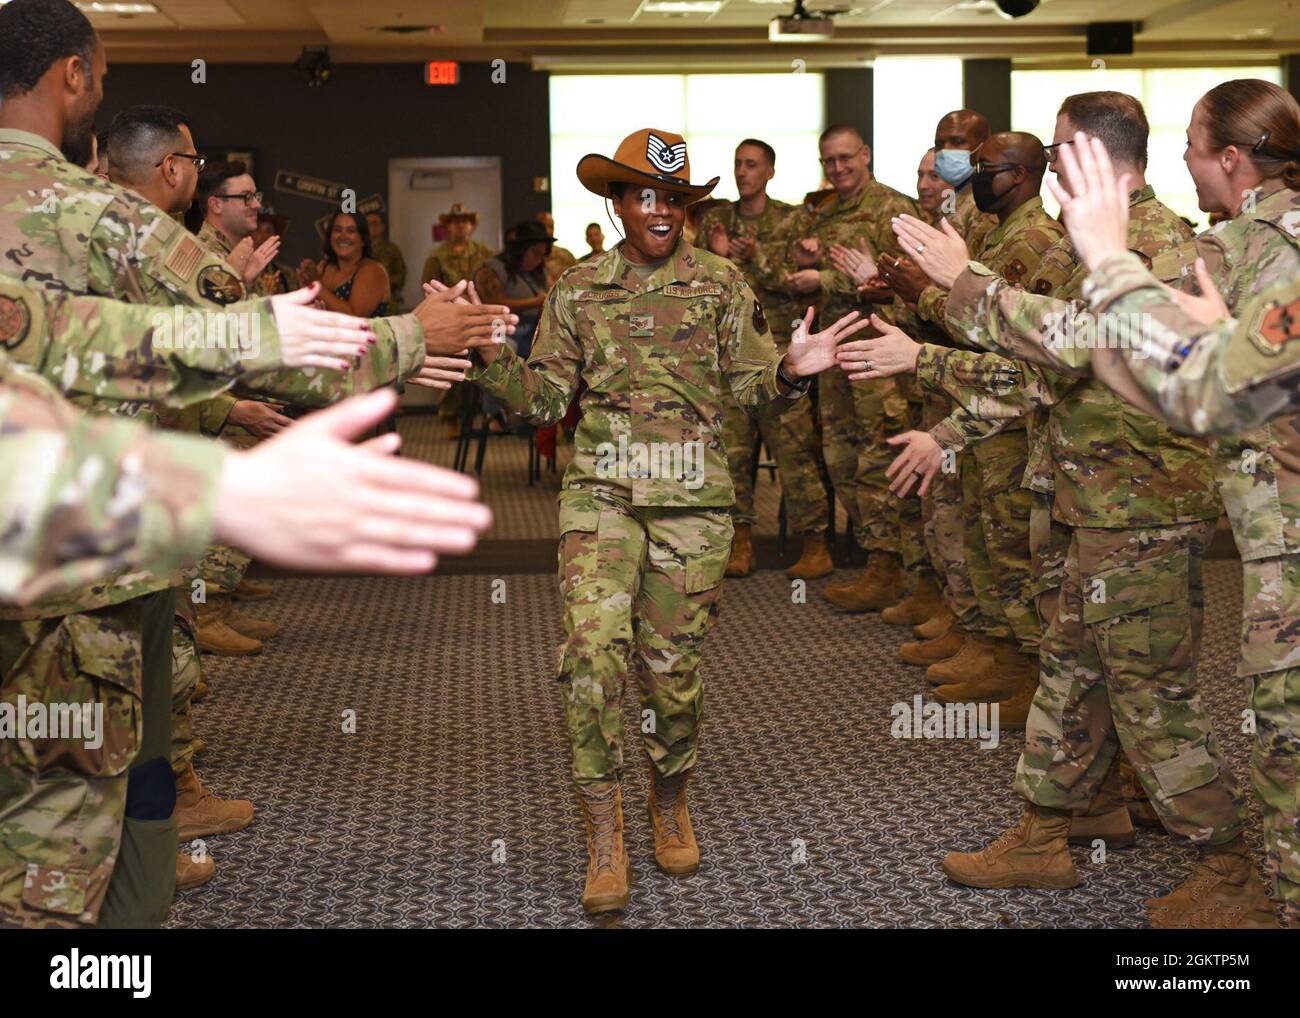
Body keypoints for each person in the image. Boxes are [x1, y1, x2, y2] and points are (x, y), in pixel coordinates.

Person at [464, 127, 870, 914]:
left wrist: (788, 369)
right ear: (617, 203)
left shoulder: (722, 283)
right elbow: (545, 401)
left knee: (671, 677)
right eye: (643, 194)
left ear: (685, 207)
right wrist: (492, 358)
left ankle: (669, 794)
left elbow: (754, 384)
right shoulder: (579, 288)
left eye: (673, 198)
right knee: (590, 655)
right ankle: (604, 833)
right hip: (603, 499)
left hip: (692, 505)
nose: (658, 210)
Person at [1048, 79, 1300, 926]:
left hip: (1250, 537)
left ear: (1231, 157)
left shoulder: (1253, 249)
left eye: (1193, 146)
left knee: (1278, 751)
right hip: (1253, 531)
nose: (1184, 163)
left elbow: (1198, 394)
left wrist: (1109, 262)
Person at [879, 132, 1064, 699]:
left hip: (1011, 415)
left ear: (1019, 174)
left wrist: (926, 296)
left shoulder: (1034, 237)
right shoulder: (995, 227)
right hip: (981, 404)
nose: (970, 175)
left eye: (982, 165)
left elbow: (1006, 338)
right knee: (983, 539)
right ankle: (994, 648)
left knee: (1011, 550)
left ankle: (1022, 668)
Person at [753, 125, 919, 611]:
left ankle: (891, 569)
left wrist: (825, 275)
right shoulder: (826, 215)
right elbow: (824, 277)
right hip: (837, 358)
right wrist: (810, 262)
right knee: (840, 460)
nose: (838, 168)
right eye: (829, 161)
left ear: (865, 155)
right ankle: (876, 557)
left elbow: (912, 282)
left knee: (877, 462)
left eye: (846, 158)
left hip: (881, 358)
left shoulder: (894, 208)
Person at [697, 137, 832, 580]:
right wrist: (717, 259)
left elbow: (800, 284)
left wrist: (758, 257)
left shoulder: (793, 220)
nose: (742, 172)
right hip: (729, 357)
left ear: (769, 171)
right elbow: (695, 283)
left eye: (752, 165)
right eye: (738, 164)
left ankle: (815, 542)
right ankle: (741, 541)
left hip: (780, 359)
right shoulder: (717, 220)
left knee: (795, 452)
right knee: (732, 454)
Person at [472, 220, 551, 362]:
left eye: (542, 255)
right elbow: (494, 303)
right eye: (535, 253)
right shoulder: (492, 269)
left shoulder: (538, 272)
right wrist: (535, 302)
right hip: (501, 335)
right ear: (522, 249)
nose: (539, 260)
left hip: (532, 337)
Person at [299, 211, 391, 319]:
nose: (343, 236)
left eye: (351, 231)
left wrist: (317, 286)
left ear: (363, 240)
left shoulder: (373, 271)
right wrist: (305, 288)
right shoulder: (325, 267)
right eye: (337, 230)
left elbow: (354, 316)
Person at [421, 202, 493, 289]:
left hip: (479, 301)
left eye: (465, 221)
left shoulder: (483, 251)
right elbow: (429, 286)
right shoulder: (437, 256)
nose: (461, 225)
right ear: (448, 226)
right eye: (456, 222)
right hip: (449, 301)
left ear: (471, 225)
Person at [367, 211, 407, 312]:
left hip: (387, 302)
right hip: (362, 300)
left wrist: (381, 281)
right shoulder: (357, 250)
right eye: (368, 223)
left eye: (375, 223)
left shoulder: (392, 250)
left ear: (382, 227)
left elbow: (401, 277)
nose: (371, 226)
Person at [536, 210, 577, 284]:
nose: (547, 231)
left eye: (550, 227)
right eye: (543, 227)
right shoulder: (528, 256)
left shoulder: (566, 256)